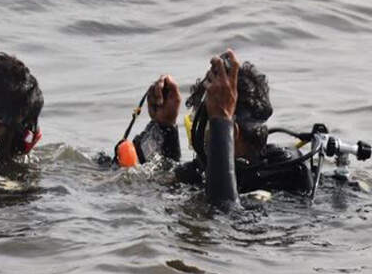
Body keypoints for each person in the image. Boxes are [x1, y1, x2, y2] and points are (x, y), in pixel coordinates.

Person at [122, 49, 312, 208]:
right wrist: (164, 126)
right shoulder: (204, 172)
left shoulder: (282, 183)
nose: (195, 141)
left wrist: (221, 119)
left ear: (231, 133)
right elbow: (151, 177)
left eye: (200, 129)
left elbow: (222, 213)